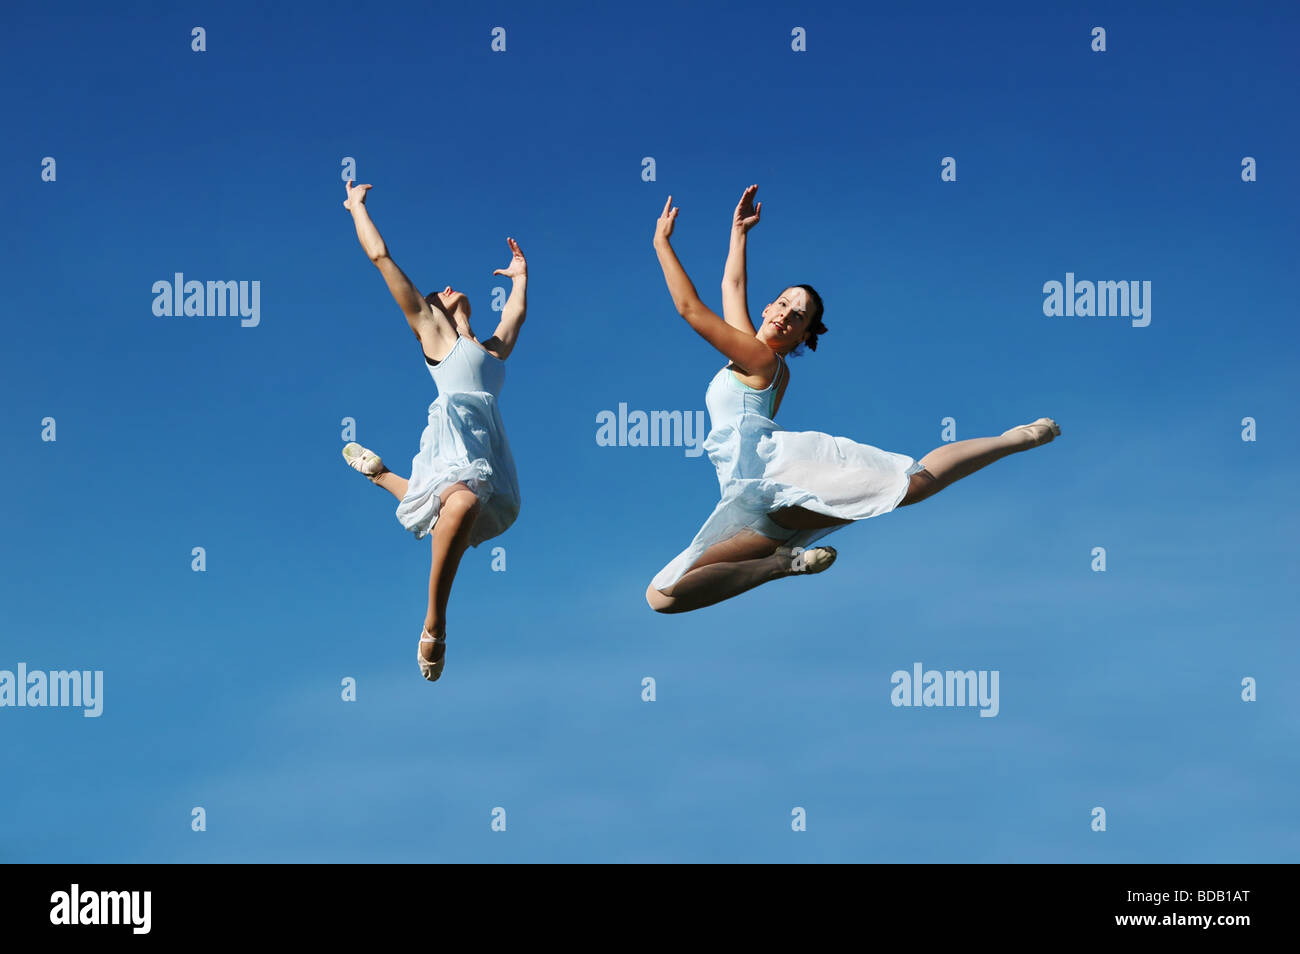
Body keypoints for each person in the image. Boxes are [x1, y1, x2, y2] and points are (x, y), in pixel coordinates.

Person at [646, 185, 1059, 613]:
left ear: (804, 336)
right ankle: (780, 566)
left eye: (799, 316)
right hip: (747, 503)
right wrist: (739, 233)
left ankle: (1016, 438)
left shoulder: (761, 360)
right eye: (784, 304)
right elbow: (731, 285)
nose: (787, 314)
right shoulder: (750, 348)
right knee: (662, 597)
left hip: (781, 478)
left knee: (913, 485)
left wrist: (661, 243)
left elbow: (690, 308)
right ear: (768, 308)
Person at [340, 179, 526, 679]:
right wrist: (356, 207)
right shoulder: (433, 331)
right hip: (455, 432)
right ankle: (435, 623)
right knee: (461, 505)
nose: (446, 289)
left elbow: (515, 318)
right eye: (438, 294)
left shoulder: (487, 348)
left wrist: (520, 276)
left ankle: (384, 477)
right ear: (433, 312)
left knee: (459, 515)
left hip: (486, 443)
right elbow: (382, 258)